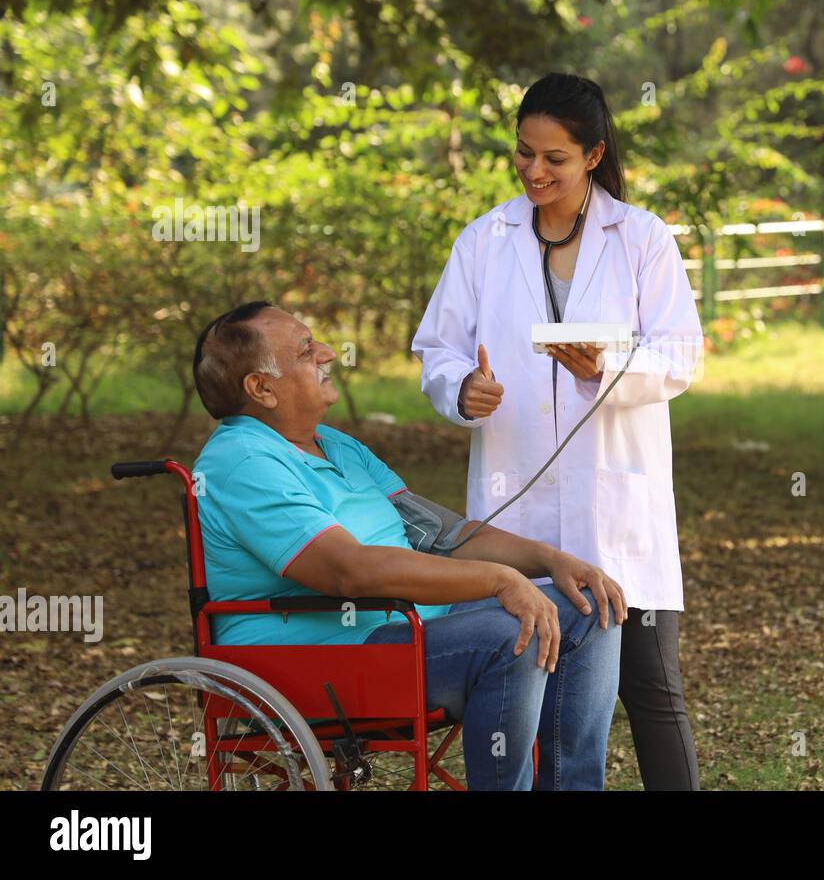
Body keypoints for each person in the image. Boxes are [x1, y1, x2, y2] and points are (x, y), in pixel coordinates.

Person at [191, 300, 626, 790]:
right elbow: (346, 571)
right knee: (513, 633)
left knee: (590, 612)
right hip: (319, 656)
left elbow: (441, 535)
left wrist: (549, 559)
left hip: (402, 630)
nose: (329, 353)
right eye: (306, 349)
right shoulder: (242, 461)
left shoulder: (333, 444)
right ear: (261, 388)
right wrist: (501, 581)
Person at [411, 72, 704, 790]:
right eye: (523, 154)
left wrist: (605, 367)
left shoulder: (640, 240)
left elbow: (681, 354)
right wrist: (462, 390)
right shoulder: (484, 241)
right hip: (517, 508)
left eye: (555, 158)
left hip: (616, 515)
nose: (535, 172)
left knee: (653, 696)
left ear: (594, 155)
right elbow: (437, 352)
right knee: (530, 699)